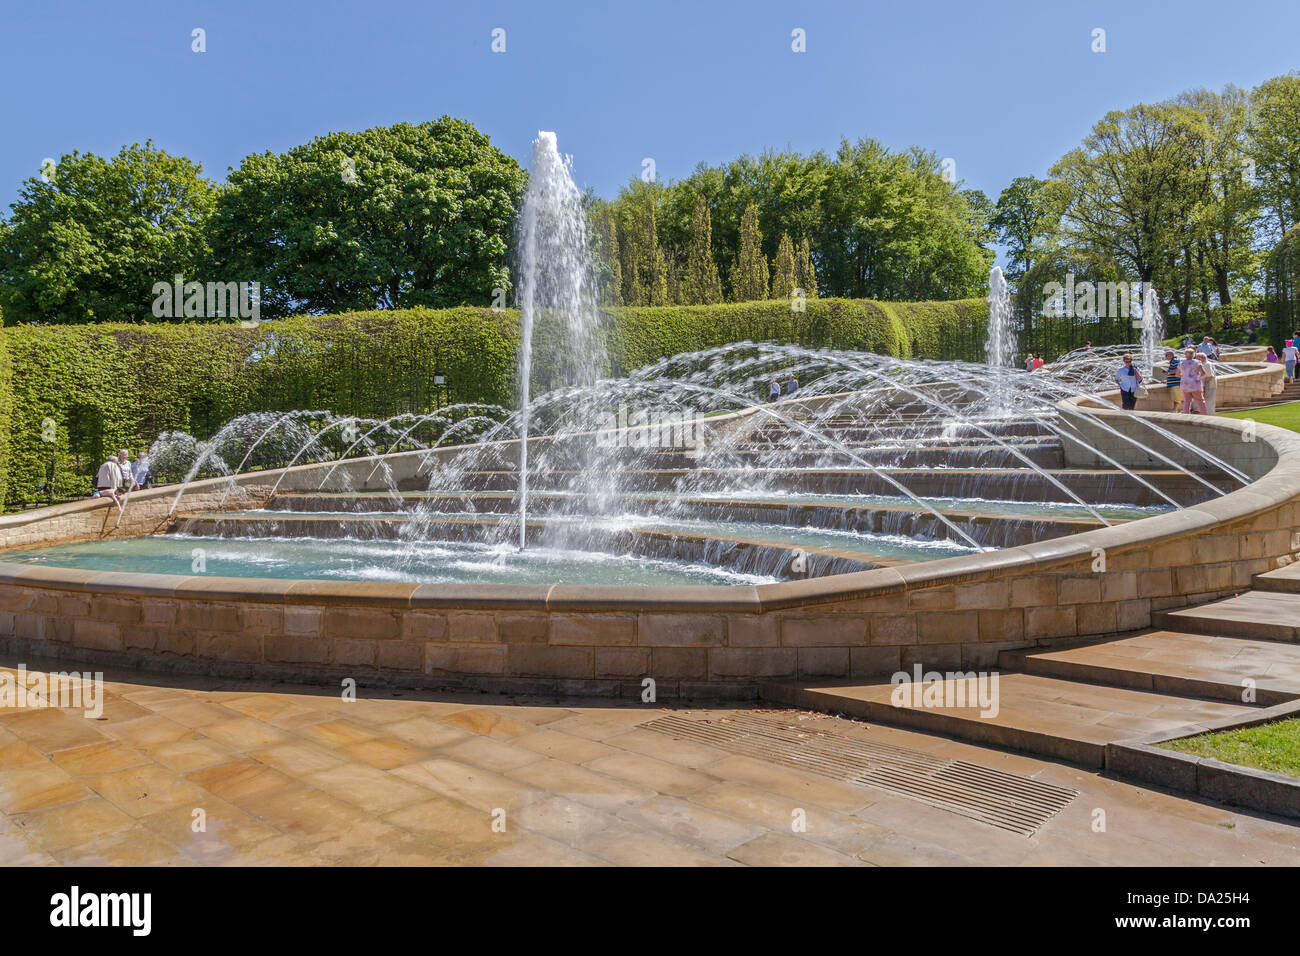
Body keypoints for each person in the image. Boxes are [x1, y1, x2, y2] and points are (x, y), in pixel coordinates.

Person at [1178, 347, 1207, 414]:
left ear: (1185, 355)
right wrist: (1197, 377)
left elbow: (1177, 374)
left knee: (1187, 402)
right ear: (1194, 354)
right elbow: (1203, 373)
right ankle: (1205, 415)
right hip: (1195, 384)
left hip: (1185, 384)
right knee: (1200, 401)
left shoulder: (1181, 363)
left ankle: (1186, 416)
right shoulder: (1197, 362)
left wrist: (1185, 377)